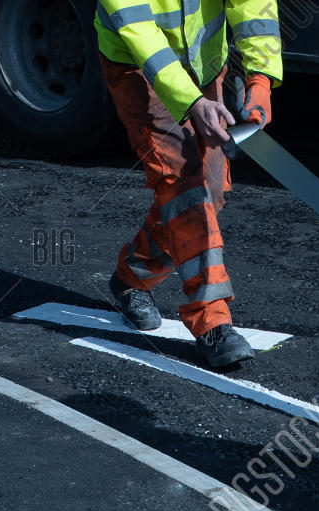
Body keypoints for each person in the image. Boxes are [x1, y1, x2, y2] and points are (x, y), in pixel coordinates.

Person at [95, 1, 283, 370]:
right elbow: (139, 31)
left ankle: (131, 277)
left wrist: (260, 80)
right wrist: (192, 101)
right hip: (138, 67)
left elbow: (253, 5)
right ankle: (212, 322)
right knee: (184, 187)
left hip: (203, 66)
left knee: (211, 189)